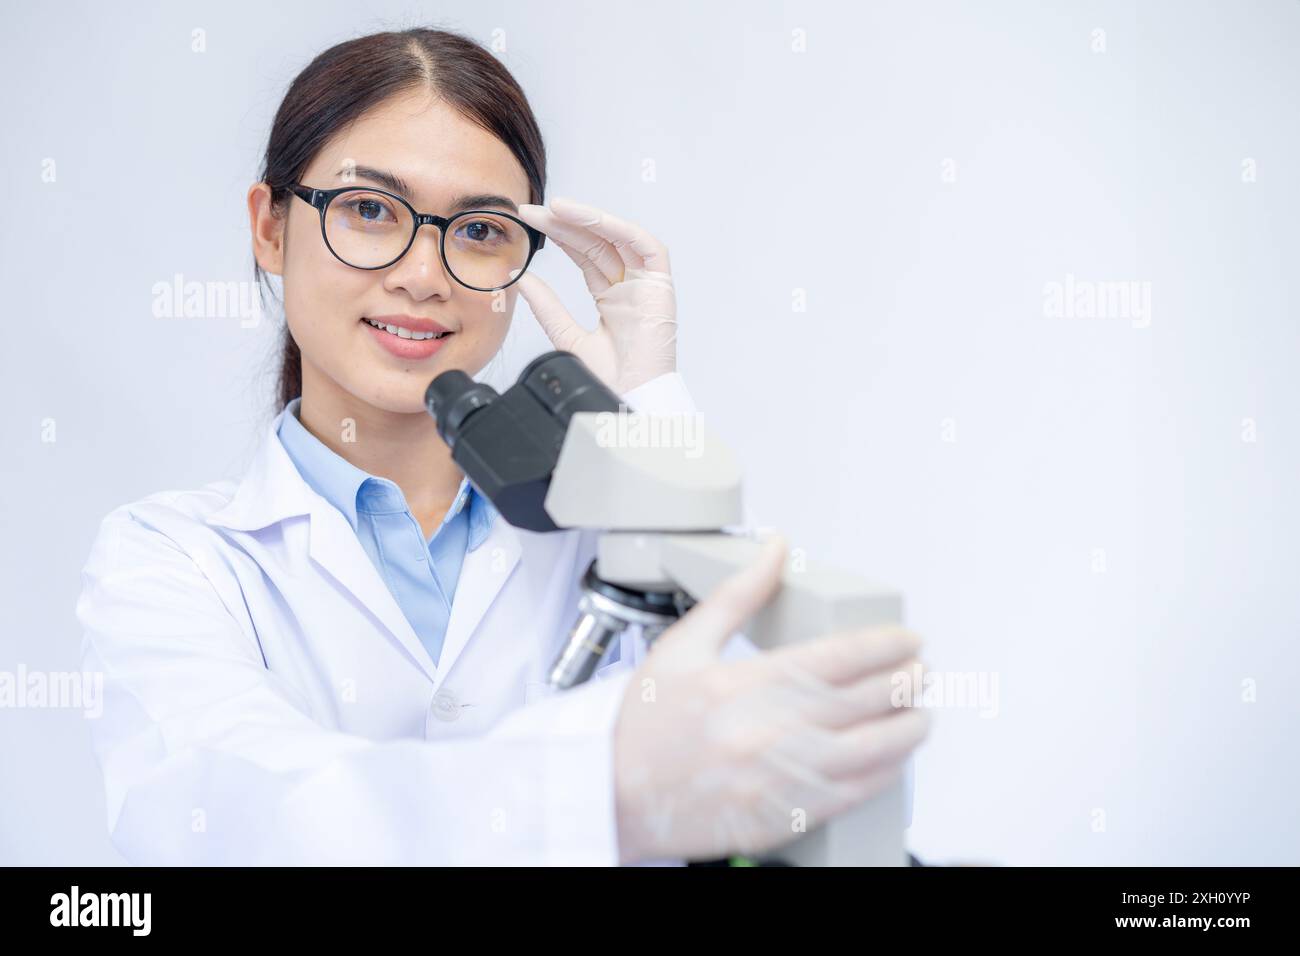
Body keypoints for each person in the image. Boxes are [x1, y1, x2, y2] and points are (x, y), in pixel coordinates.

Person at [75, 26, 929, 866]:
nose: (424, 273)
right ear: (270, 227)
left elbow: (818, 755)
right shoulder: (172, 563)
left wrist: (654, 424)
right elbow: (233, 818)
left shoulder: (615, 531)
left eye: (480, 229)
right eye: (370, 210)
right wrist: (601, 782)